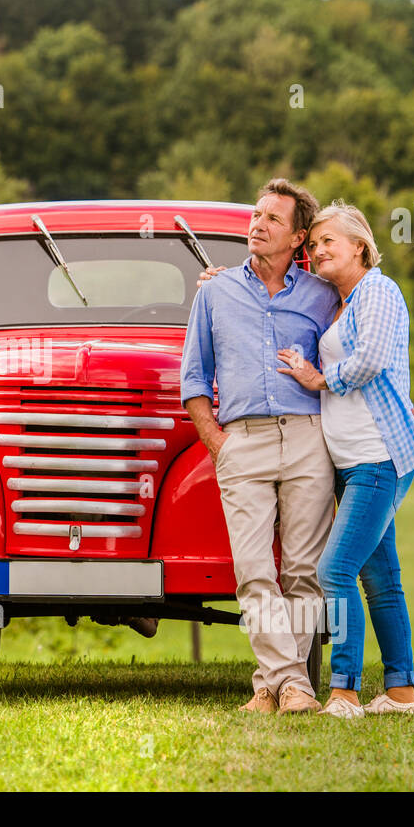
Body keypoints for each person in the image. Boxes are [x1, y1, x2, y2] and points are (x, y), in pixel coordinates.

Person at [180, 178, 339, 715]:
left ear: (298, 238)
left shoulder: (322, 296)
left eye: (273, 219)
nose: (258, 223)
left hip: (306, 438)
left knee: (301, 571)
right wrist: (218, 443)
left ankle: (271, 688)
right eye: (256, 214)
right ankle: (292, 682)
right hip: (240, 442)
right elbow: (194, 380)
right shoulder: (215, 291)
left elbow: (348, 354)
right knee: (253, 570)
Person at [274, 201, 414, 718]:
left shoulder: (379, 290)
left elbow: (371, 359)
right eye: (313, 243)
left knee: (334, 570)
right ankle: (402, 692)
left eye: (328, 243)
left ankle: (343, 692)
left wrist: (322, 379)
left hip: (380, 455)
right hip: (351, 461)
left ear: (360, 247)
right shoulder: (339, 302)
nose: (318, 251)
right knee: (380, 577)